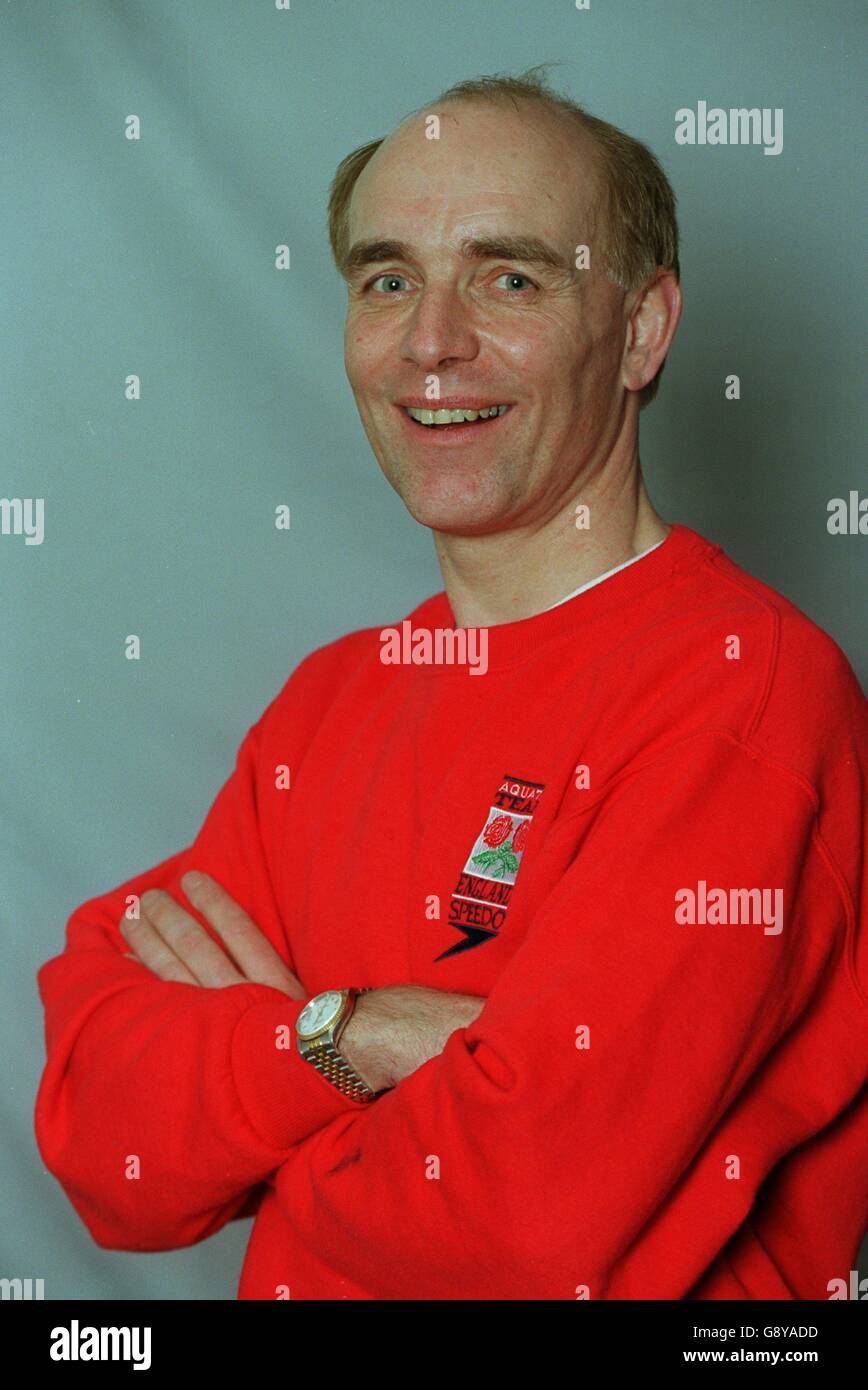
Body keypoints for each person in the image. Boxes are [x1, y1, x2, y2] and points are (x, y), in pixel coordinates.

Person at [34, 68, 867, 1301]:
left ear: (641, 330)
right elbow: (107, 1144)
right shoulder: (330, 702)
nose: (431, 342)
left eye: (508, 276)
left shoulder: (745, 691)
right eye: (387, 280)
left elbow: (515, 1228)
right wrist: (356, 1036)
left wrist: (270, 1102)